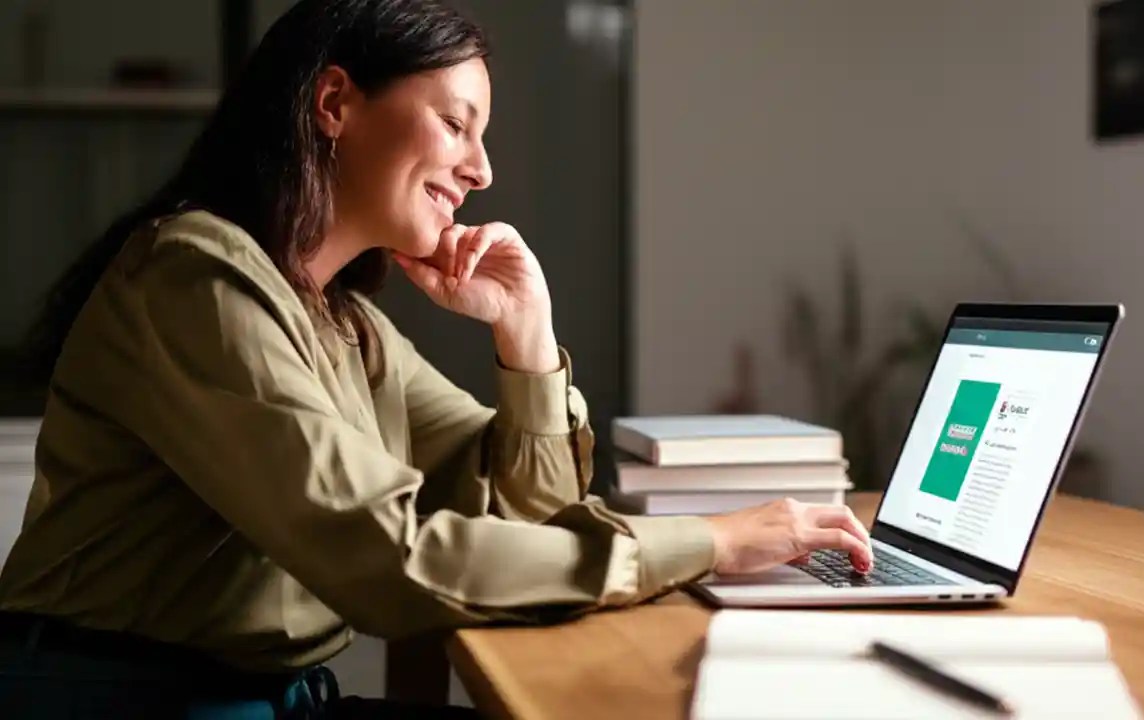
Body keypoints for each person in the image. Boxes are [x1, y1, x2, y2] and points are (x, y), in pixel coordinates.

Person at [0, 0, 873, 717]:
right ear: (334, 103)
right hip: (117, 701)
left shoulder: (345, 324)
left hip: (262, 699)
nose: (481, 169)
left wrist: (526, 336)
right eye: (457, 123)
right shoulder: (195, 279)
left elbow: (533, 526)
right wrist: (711, 542)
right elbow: (392, 562)